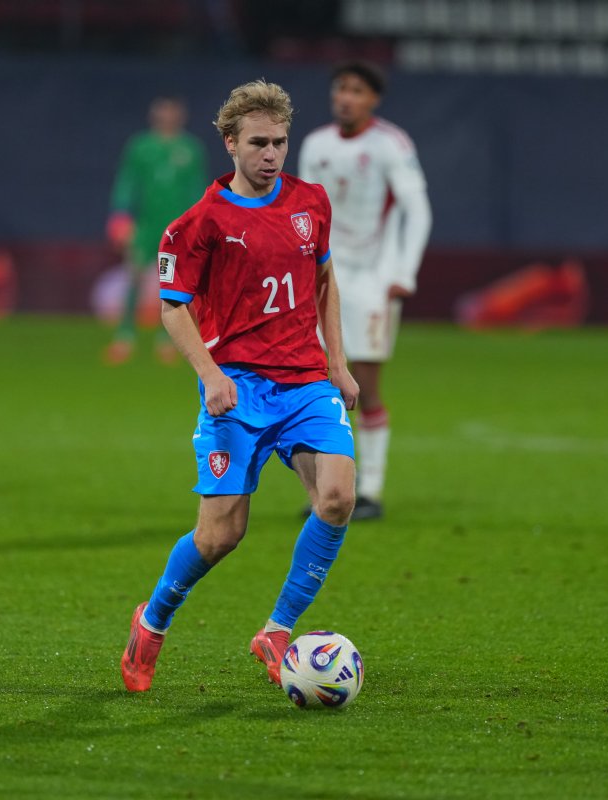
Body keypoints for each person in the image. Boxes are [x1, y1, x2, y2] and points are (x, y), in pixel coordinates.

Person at [120, 79, 359, 692]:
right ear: (229, 143)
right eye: (258, 143)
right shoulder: (198, 223)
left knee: (336, 498)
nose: (271, 154)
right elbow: (174, 308)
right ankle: (153, 620)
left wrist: (338, 361)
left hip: (305, 379)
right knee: (221, 533)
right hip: (239, 387)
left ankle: (277, 631)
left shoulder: (311, 203)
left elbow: (326, 280)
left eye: (280, 141)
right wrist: (210, 374)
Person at [298, 61, 432, 521]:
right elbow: (300, 213)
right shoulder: (316, 144)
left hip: (375, 279)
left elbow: (418, 210)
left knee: (367, 388)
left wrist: (404, 272)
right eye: (340, 89)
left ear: (373, 99)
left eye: (356, 90)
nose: (345, 98)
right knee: (315, 385)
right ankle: (322, 491)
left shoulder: (390, 145)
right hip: (325, 274)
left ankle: (370, 490)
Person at [103, 95, 208, 364]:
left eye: (171, 112)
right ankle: (125, 334)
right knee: (135, 274)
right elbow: (127, 182)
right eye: (162, 111)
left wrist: (197, 223)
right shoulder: (141, 147)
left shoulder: (191, 149)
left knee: (173, 282)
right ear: (154, 114)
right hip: (146, 225)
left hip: (177, 227)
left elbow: (197, 189)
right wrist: (121, 216)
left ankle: (167, 339)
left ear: (180, 115)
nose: (166, 116)